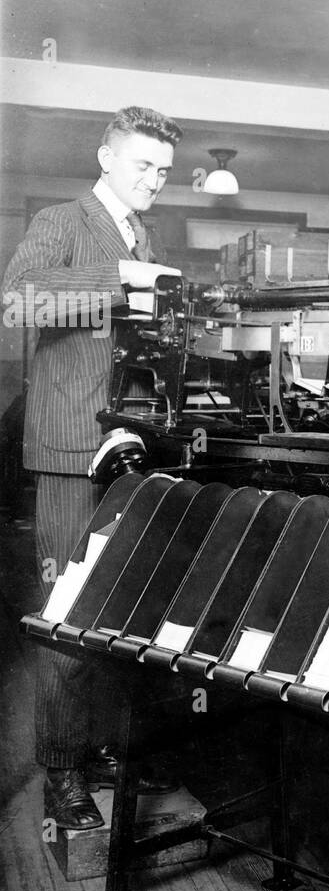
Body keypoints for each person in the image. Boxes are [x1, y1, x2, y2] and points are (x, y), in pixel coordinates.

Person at [1, 106, 184, 829]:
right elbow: (17, 301)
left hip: (128, 451)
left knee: (116, 608)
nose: (154, 180)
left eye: (164, 171)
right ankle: (61, 773)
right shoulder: (64, 221)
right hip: (70, 451)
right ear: (105, 157)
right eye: (142, 164)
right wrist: (124, 282)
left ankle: (100, 747)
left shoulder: (145, 232)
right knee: (63, 616)